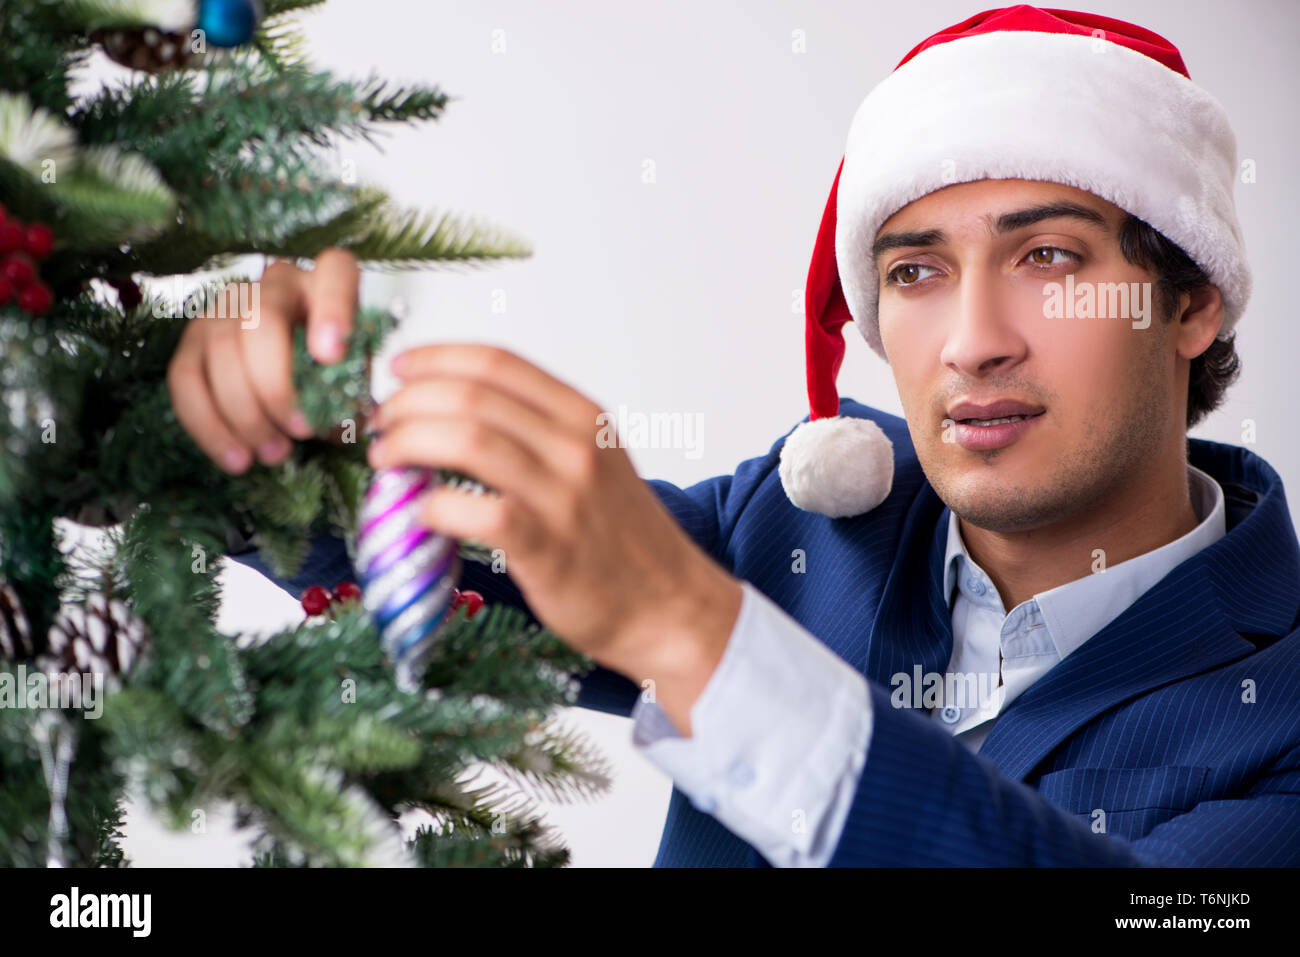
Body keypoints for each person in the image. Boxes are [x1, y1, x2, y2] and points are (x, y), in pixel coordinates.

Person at [167, 6, 1300, 867]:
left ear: (1191, 300)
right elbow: (434, 550)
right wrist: (258, 417)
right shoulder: (806, 526)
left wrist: (690, 628)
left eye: (1047, 257)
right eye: (914, 271)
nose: (970, 343)